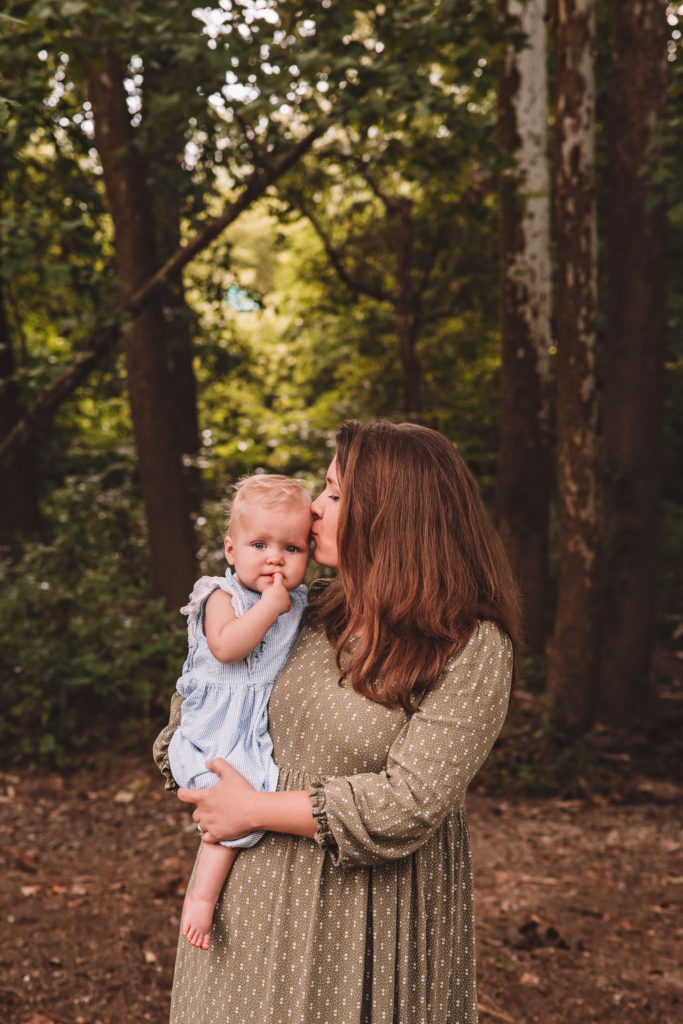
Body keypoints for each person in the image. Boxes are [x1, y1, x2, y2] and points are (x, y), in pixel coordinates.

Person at [154, 419, 521, 1024]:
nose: (315, 510)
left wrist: (253, 809)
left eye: (332, 492)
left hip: (363, 919)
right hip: (243, 911)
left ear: (387, 514)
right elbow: (205, 696)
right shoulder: (309, 609)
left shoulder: (469, 645)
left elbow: (409, 803)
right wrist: (199, 765)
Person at [166, 473, 311, 951]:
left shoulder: (301, 602)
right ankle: (201, 901)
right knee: (229, 806)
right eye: (259, 543)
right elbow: (227, 648)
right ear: (231, 551)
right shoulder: (219, 595)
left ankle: (204, 897)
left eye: (292, 548)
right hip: (219, 719)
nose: (275, 558)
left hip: (252, 723)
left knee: (248, 796)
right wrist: (271, 604)